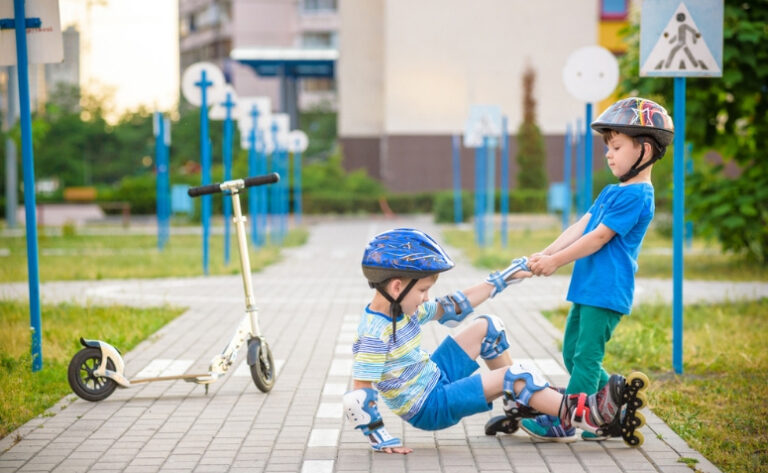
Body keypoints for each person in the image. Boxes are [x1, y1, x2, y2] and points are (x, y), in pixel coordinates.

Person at [343, 228, 634, 454]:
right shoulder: (374, 335)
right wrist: (381, 439)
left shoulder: (407, 308)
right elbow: (359, 397)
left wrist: (505, 277)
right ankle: (583, 414)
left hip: (435, 376)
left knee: (488, 327)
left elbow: (455, 305)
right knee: (515, 376)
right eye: (422, 290)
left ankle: (522, 402)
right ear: (396, 286)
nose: (426, 298)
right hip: (430, 405)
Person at [522, 97, 674, 442]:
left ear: (645, 151)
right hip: (588, 286)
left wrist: (556, 262)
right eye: (609, 147)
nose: (609, 154)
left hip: (607, 289)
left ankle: (566, 419)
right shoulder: (611, 191)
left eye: (617, 146)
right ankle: (612, 403)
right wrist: (544, 253)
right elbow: (582, 226)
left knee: (586, 358)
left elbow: (598, 238)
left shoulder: (638, 196)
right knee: (572, 350)